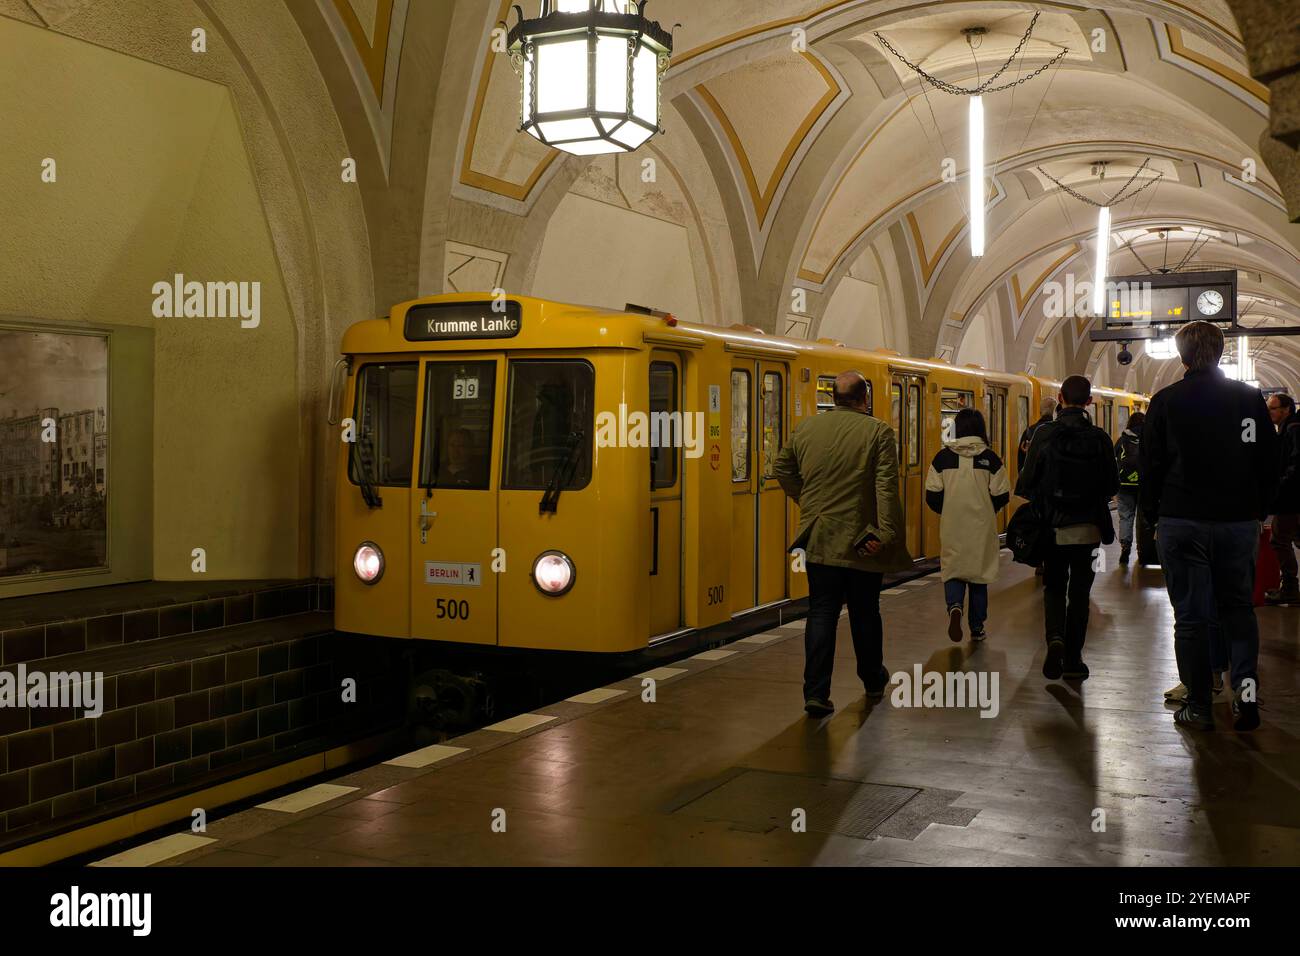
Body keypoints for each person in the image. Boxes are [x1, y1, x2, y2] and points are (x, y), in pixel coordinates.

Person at [1140, 321, 1277, 732]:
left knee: (1192, 616)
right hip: (1237, 522)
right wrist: (1259, 510)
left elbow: (1151, 465)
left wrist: (1152, 517)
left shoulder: (1166, 401)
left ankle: (1200, 704)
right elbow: (1265, 460)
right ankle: (1245, 700)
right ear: (1221, 353)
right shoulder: (1248, 400)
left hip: (1182, 520)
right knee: (1238, 610)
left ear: (1182, 356)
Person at [774, 370, 912, 717]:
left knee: (821, 612)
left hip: (819, 537)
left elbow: (780, 467)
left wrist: (806, 501)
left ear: (834, 397)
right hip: (861, 540)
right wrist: (886, 534)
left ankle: (816, 693)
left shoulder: (807, 428)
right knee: (865, 611)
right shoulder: (878, 432)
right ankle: (872, 678)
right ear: (864, 398)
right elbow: (886, 489)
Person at [1014, 374, 1119, 681]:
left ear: (1060, 398)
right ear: (1089, 402)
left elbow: (1026, 482)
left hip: (1052, 528)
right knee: (1081, 593)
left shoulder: (1044, 434)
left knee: (1055, 586)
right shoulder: (1100, 438)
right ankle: (1074, 659)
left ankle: (1055, 639)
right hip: (1088, 530)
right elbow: (1112, 485)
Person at [925, 408, 1010, 642]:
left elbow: (932, 495)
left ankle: (954, 606)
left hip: (952, 524)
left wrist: (948, 510)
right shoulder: (990, 458)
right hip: (981, 525)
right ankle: (977, 627)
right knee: (978, 575)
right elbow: (1002, 494)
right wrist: (988, 508)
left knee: (953, 569)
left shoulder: (942, 458)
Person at [1264, 393, 1300, 603]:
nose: (1270, 412)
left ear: (1286, 409)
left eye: (1273, 408)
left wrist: (1282, 484)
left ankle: (1289, 589)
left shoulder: (1293, 429)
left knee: (1279, 540)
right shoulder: (1287, 428)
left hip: (1291, 497)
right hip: (1292, 496)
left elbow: (1296, 463)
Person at [1114, 411, 1145, 565]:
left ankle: (1125, 547)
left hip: (1124, 485)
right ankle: (1143, 549)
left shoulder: (1122, 440)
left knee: (1126, 516)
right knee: (1143, 518)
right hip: (1144, 485)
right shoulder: (1150, 440)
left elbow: (1114, 462)